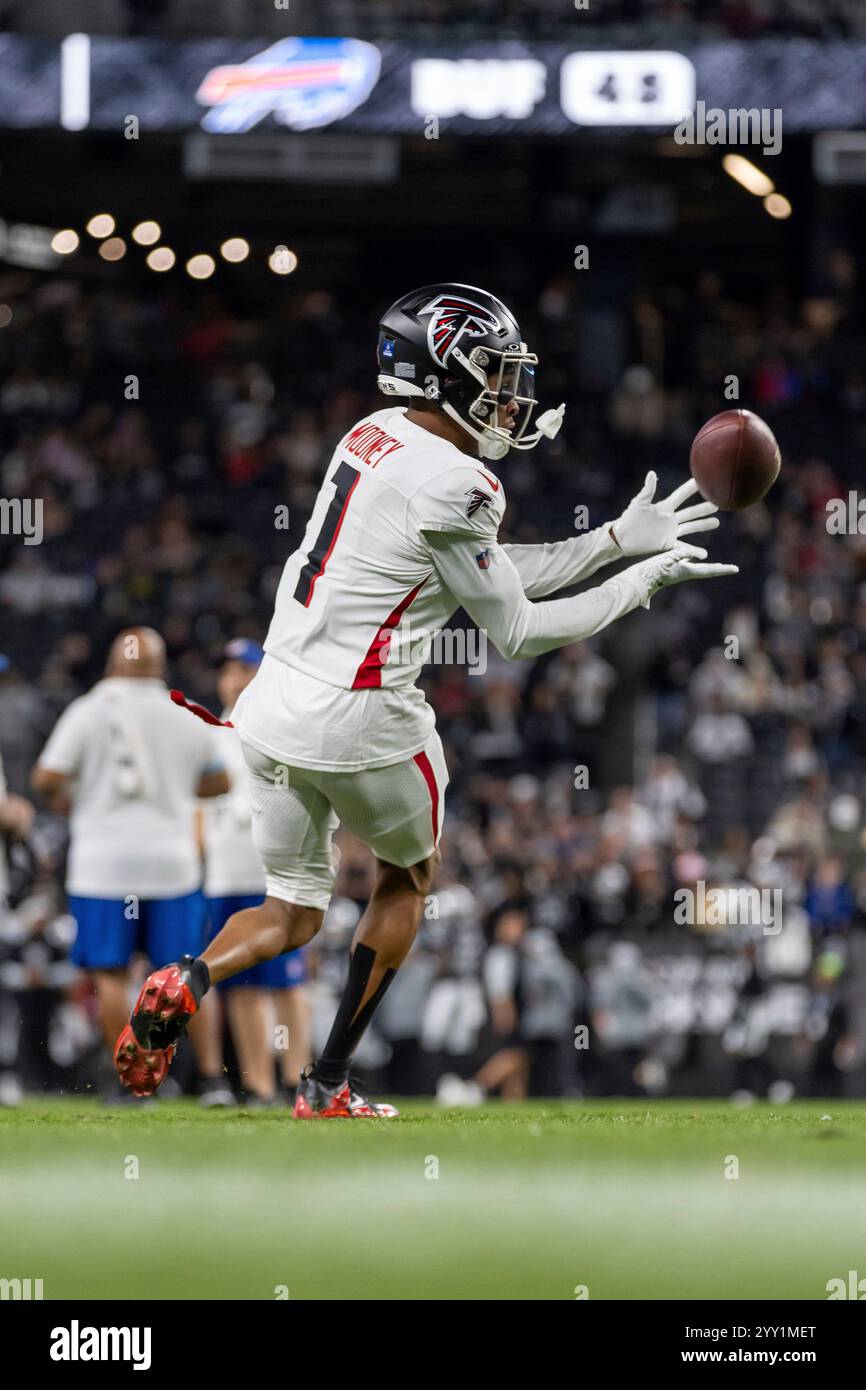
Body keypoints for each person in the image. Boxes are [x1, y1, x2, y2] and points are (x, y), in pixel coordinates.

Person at [114, 282, 735, 1117]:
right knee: (408, 878)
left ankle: (184, 978)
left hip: (269, 708)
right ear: (443, 370)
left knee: (293, 910)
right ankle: (326, 1085)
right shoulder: (463, 483)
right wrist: (641, 582)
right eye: (495, 372)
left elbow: (485, 571)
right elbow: (513, 628)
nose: (513, 395)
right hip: (363, 713)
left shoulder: (372, 434)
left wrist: (614, 540)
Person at [31, 627, 228, 1099]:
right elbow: (220, 780)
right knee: (187, 973)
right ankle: (211, 1080)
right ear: (159, 667)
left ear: (113, 663)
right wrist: (178, 791)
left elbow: (47, 776)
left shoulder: (89, 709)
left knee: (111, 972)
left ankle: (131, 1084)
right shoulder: (182, 711)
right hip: (171, 862)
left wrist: (74, 796)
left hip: (104, 864)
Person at [195, 639, 311, 1106]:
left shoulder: (283, 725)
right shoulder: (209, 731)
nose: (234, 679)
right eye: (228, 670)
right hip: (224, 871)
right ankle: (259, 1084)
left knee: (286, 981)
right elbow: (196, 802)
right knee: (240, 984)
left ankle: (299, 1078)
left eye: (244, 670)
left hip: (272, 873)